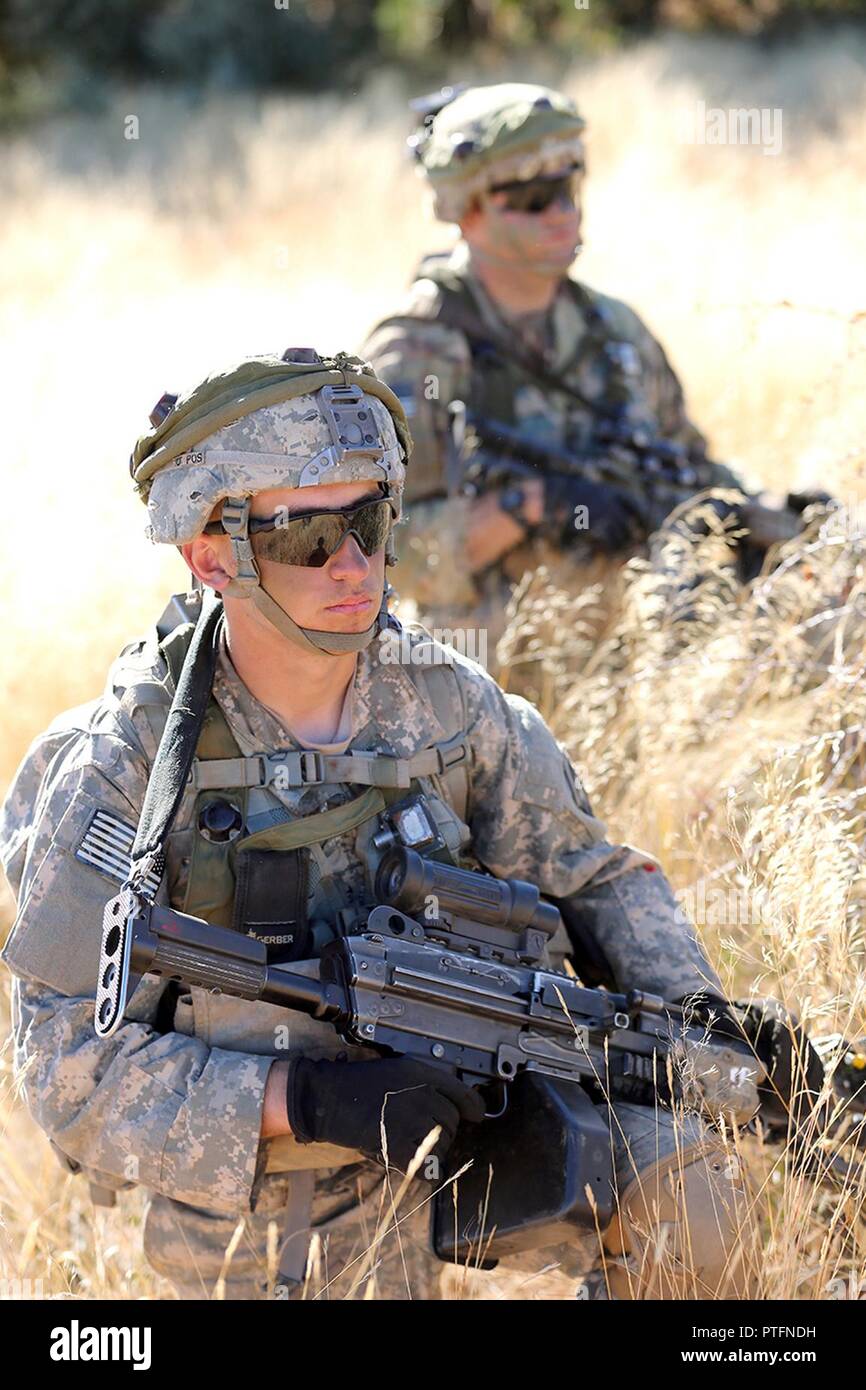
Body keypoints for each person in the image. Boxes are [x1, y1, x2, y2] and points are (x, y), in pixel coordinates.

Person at [0, 349, 759, 1300]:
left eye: (368, 523)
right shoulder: (126, 768)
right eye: (305, 538)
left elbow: (594, 879)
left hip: (493, 1097)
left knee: (701, 1201)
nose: (353, 566)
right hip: (280, 1187)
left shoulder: (446, 706)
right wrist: (302, 1101)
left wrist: (700, 1025)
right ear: (209, 555)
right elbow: (64, 1065)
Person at [361, 82, 820, 658]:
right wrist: (530, 504)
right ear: (466, 210)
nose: (562, 212)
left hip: (637, 667)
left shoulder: (616, 331)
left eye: (569, 188)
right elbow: (378, 554)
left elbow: (682, 465)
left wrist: (764, 510)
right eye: (531, 197)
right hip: (495, 688)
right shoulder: (416, 355)